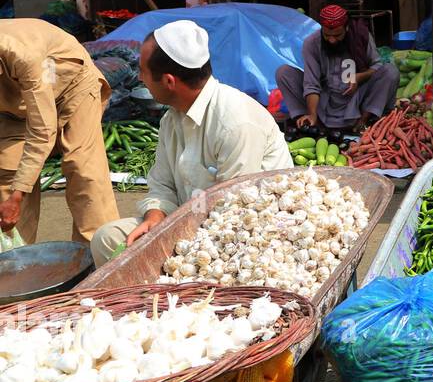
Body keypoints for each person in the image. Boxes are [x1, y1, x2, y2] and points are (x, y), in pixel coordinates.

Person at [90, 21, 293, 267]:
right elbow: (162, 184)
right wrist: (156, 216)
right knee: (107, 238)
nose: (140, 78)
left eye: (143, 71)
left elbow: (236, 213)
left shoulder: (235, 121)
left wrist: (175, 240)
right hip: (190, 223)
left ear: (168, 81)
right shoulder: (171, 119)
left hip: (245, 238)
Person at [0, 20, 119, 245]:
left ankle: (99, 256)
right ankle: (15, 258)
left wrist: (18, 195)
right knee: (7, 172)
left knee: (83, 168)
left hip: (72, 88)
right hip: (15, 106)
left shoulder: (24, 54)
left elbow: (41, 130)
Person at [275, 5, 398, 134]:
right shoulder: (311, 43)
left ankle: (363, 121)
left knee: (390, 72)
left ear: (347, 28)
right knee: (284, 73)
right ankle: (308, 122)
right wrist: (312, 114)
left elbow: (377, 66)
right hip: (324, 100)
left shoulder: (361, 36)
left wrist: (359, 77)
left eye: (337, 35)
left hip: (357, 98)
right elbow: (311, 84)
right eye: (327, 35)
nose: (332, 40)